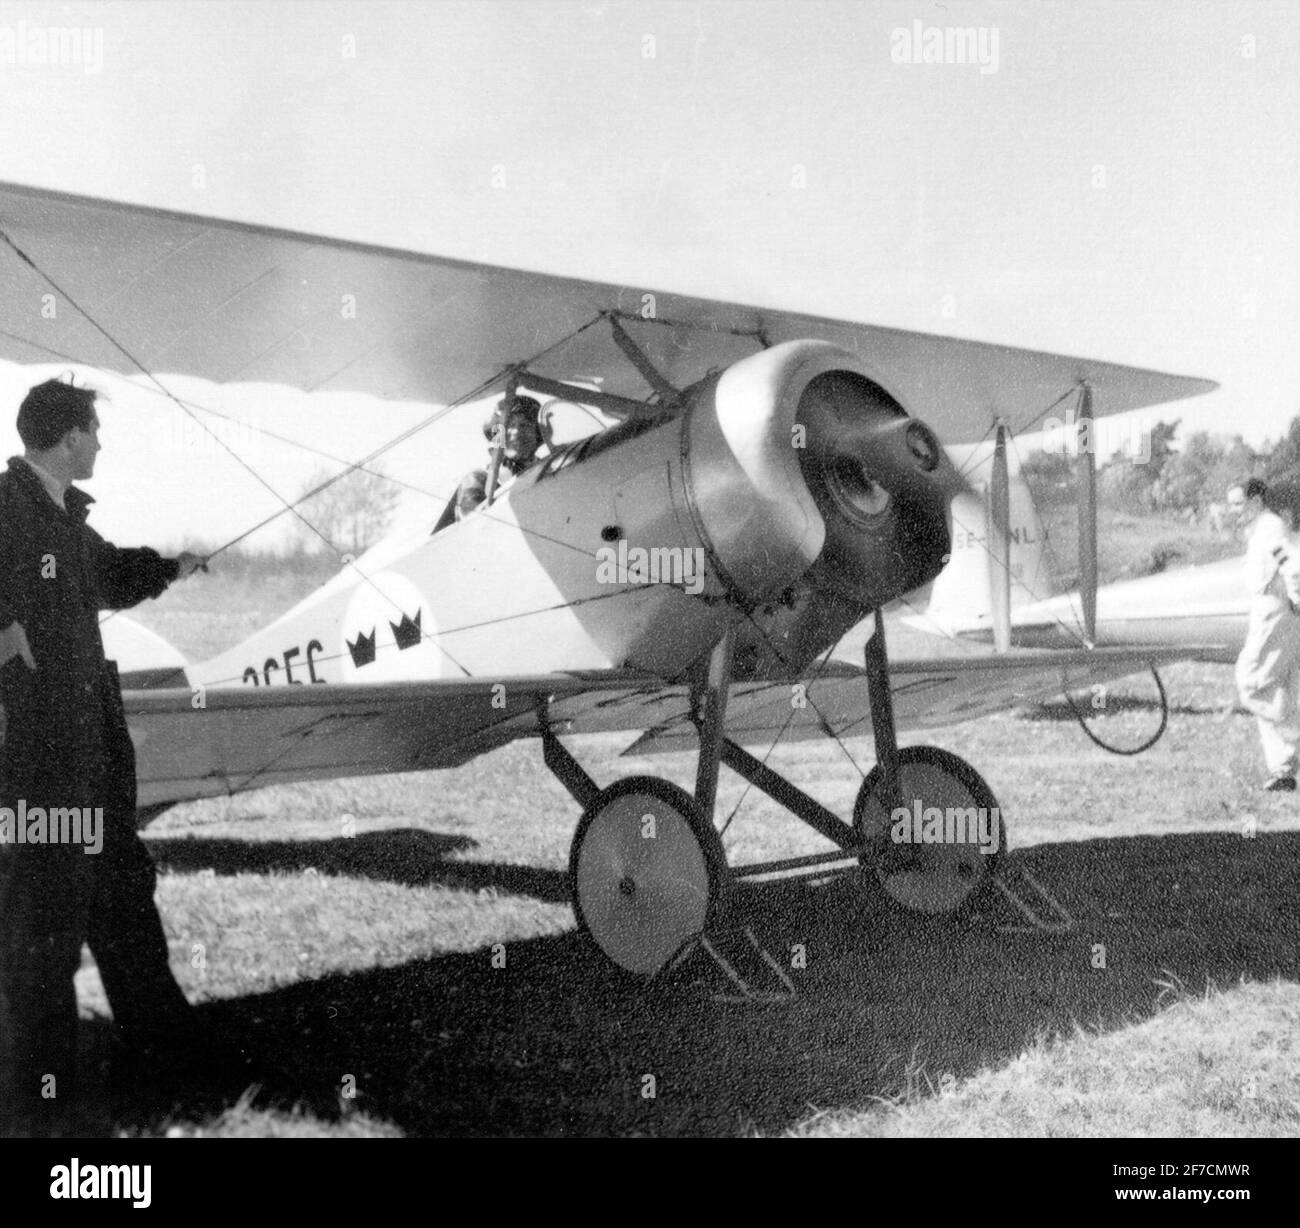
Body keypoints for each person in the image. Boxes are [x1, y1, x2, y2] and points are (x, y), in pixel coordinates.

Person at [0, 378, 208, 1136]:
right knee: (43, 925)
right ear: (67, 437)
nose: (100, 443)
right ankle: (36, 1096)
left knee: (124, 901)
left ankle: (169, 1062)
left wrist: (174, 566)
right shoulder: (6, 508)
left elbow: (112, 571)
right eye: (93, 430)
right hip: (38, 764)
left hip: (94, 755)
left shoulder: (61, 516)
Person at [1228, 477, 1300, 791]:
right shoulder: (1258, 529)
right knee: (1278, 687)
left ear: (1256, 502)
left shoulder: (1270, 528)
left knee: (1251, 682)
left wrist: (1297, 599)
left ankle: (1293, 735)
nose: (1233, 511)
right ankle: (1283, 768)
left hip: (1275, 610)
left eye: (1238, 503)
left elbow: (1290, 563)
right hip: (1268, 609)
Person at [454, 394, 544, 521]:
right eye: (508, 425)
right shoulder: (478, 480)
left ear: (537, 433)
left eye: (525, 425)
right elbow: (474, 527)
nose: (516, 432)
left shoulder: (550, 469)